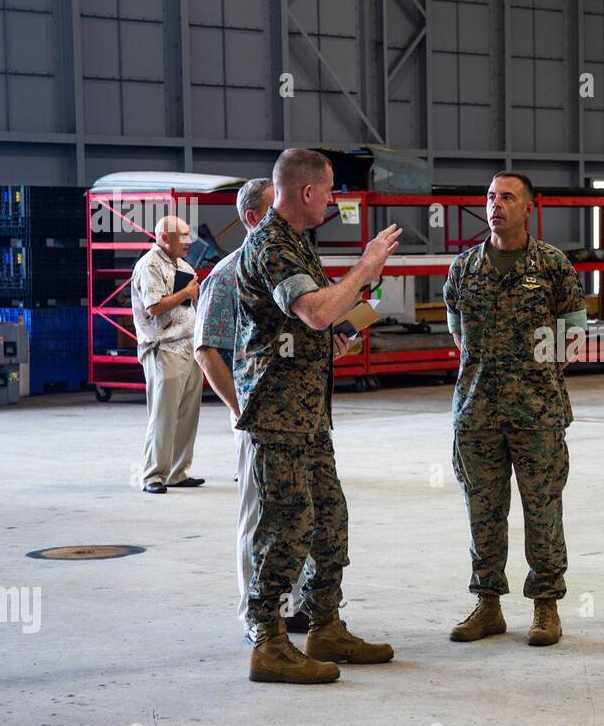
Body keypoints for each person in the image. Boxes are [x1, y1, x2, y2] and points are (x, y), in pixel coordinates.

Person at [234, 148, 401, 684]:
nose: (333, 201)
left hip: (307, 412)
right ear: (307, 193)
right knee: (287, 527)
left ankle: (325, 625)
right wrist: (368, 265)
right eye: (328, 192)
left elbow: (319, 320)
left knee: (330, 520)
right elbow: (315, 310)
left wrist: (345, 329)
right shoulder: (271, 244)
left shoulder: (300, 242)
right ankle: (268, 642)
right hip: (277, 413)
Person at [443, 172, 587, 647]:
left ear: (529, 208)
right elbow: (458, 334)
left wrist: (534, 374)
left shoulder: (552, 266)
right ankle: (488, 605)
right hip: (477, 412)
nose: (495, 205)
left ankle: (546, 606)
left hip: (538, 413)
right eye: (489, 196)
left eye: (507, 197)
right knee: (482, 510)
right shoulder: (464, 268)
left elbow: (572, 334)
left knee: (542, 509)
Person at [194, 177, 313, 643]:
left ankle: (292, 603)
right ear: (251, 218)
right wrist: (240, 409)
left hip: (297, 416)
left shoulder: (290, 267)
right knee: (259, 516)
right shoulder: (227, 275)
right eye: (274, 210)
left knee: (297, 514)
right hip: (257, 418)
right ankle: (255, 614)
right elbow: (208, 349)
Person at [131, 214, 204, 494]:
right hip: (164, 346)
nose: (188, 242)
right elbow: (154, 307)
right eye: (182, 236)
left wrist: (192, 292)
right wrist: (186, 292)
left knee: (187, 413)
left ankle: (177, 471)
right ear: (163, 238)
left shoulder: (182, 265)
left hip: (189, 344)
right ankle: (153, 475)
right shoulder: (149, 265)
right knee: (163, 413)